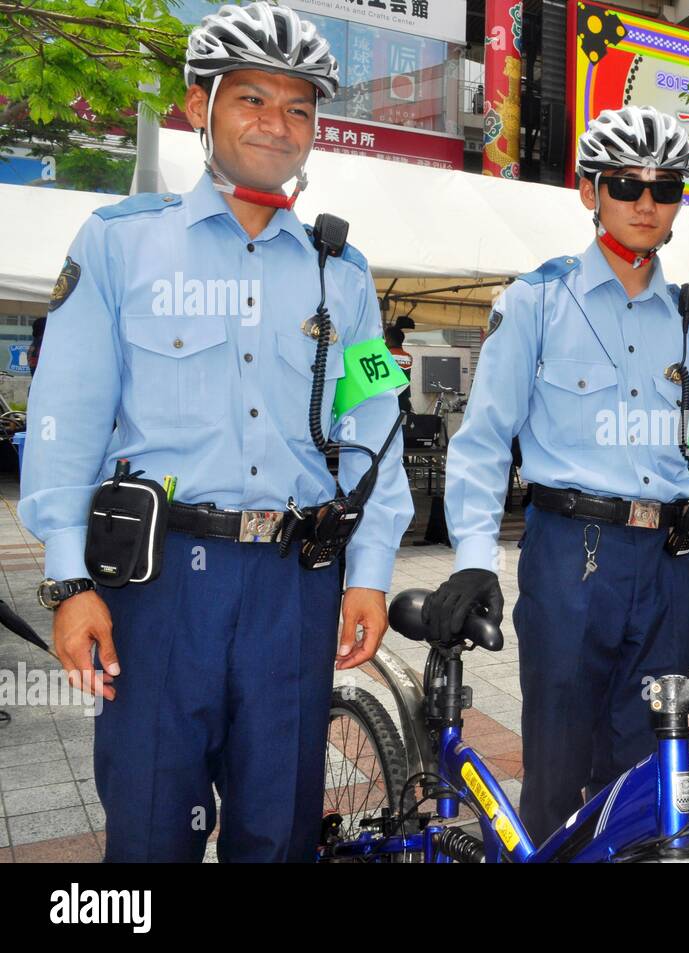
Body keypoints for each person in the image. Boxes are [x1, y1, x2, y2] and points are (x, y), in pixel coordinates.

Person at [18, 1, 413, 862]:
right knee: (151, 827)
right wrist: (66, 580)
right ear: (200, 108)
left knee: (281, 833)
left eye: (300, 108)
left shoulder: (342, 275)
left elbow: (374, 426)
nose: (278, 124)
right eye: (252, 100)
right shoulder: (121, 243)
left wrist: (372, 572)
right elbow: (66, 415)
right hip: (158, 592)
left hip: (293, 587)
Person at [433, 105, 689, 843]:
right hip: (572, 559)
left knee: (644, 773)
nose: (646, 203)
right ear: (589, 192)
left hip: (671, 568)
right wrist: (474, 560)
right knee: (556, 767)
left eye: (665, 188)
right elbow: (483, 442)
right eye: (625, 184)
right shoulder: (538, 301)